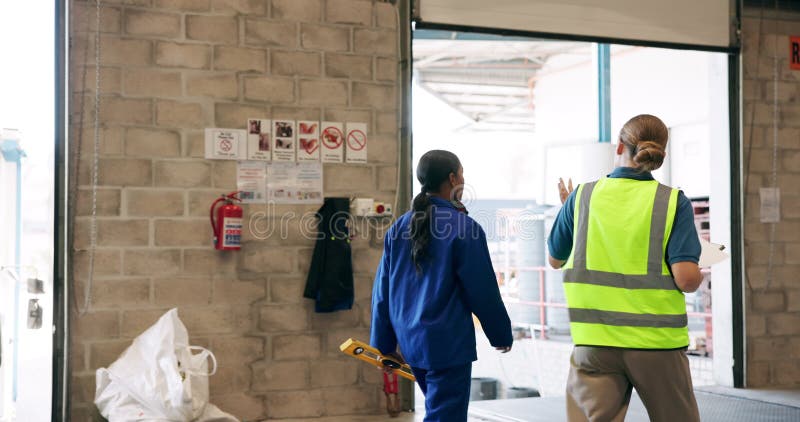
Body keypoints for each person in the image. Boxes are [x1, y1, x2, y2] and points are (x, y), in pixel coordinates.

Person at [548, 114, 704, 422]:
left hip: (595, 343)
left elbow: (555, 259)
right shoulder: (672, 202)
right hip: (656, 345)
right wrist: (701, 268)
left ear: (620, 146)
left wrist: (570, 210)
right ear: (662, 151)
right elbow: (686, 279)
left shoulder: (581, 197)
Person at [370, 150, 513, 422]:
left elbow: (382, 290)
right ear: (452, 178)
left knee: (439, 413)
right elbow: (483, 292)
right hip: (447, 345)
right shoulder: (464, 228)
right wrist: (501, 334)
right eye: (461, 173)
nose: (463, 178)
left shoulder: (399, 227)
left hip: (411, 342)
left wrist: (383, 342)